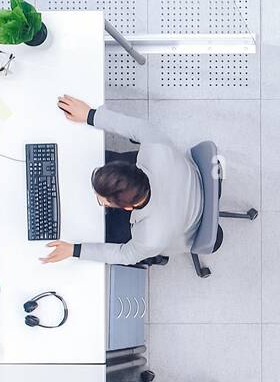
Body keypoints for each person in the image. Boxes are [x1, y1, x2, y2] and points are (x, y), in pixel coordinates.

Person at [39, 94, 204, 266]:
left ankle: (154, 258)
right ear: (132, 168)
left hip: (182, 225)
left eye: (102, 200)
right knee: (103, 158)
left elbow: (124, 255)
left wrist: (74, 250)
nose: (97, 197)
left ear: (127, 208)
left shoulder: (150, 236)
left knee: (108, 233)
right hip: (183, 180)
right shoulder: (156, 148)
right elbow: (138, 127)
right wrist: (89, 114)